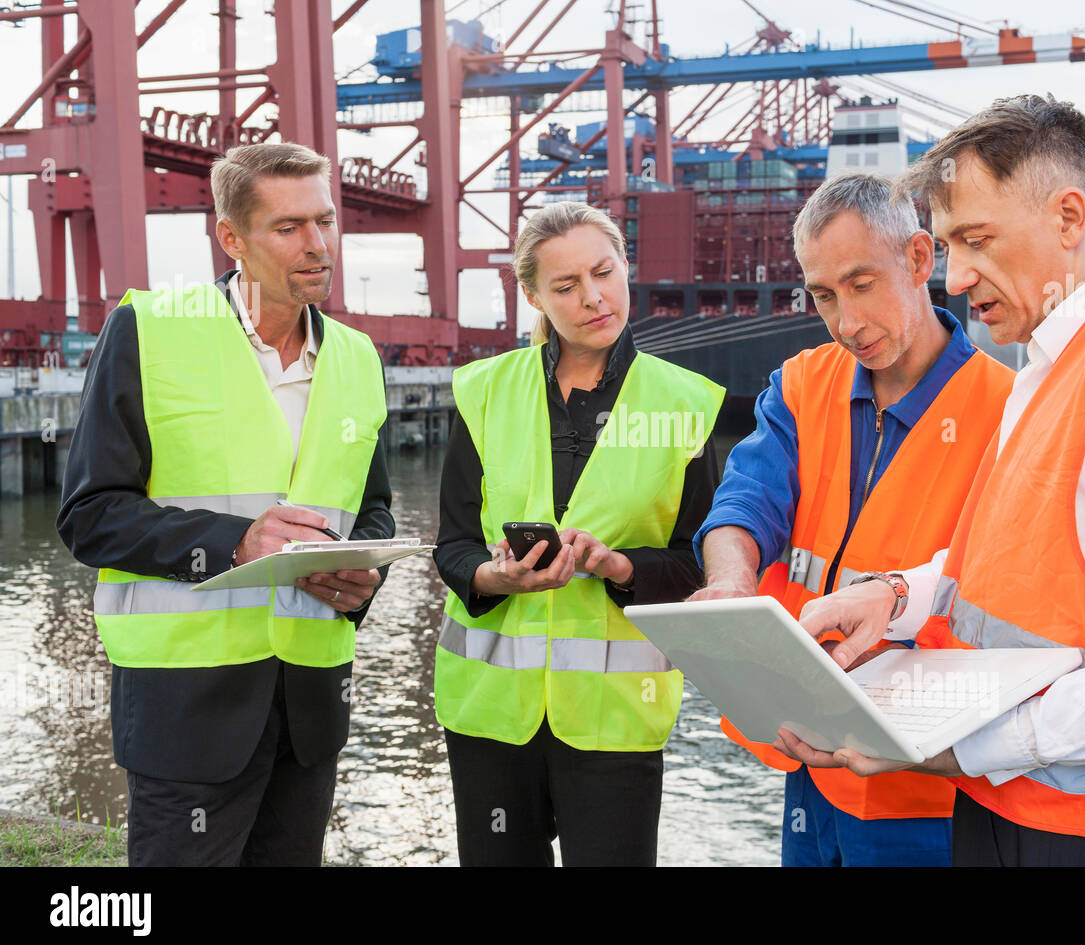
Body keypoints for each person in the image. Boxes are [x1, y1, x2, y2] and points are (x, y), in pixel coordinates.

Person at [774, 94, 1085, 867]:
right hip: (1019, 805)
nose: (958, 278)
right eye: (948, 245)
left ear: (1068, 219)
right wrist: (899, 597)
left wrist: (958, 747)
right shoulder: (1055, 365)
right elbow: (1017, 568)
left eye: (977, 240)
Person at [57, 141, 394, 866]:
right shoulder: (150, 330)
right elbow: (89, 515)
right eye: (289, 227)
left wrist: (365, 577)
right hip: (187, 709)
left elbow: (374, 512)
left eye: (325, 221)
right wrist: (237, 543)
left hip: (310, 708)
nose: (318, 245)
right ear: (231, 238)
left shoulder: (358, 358)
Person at [689, 171, 1014, 866]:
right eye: (824, 296)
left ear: (921, 260)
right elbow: (743, 505)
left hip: (927, 784)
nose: (845, 322)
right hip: (811, 754)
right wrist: (729, 584)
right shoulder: (802, 384)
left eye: (861, 285)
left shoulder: (1008, 413)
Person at [433, 201, 724, 867]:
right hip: (489, 718)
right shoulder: (484, 392)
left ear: (627, 267)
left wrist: (621, 568)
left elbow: (699, 564)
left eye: (605, 271)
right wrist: (493, 576)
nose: (594, 297)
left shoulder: (684, 406)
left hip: (615, 719)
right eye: (565, 286)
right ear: (532, 294)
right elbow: (451, 545)